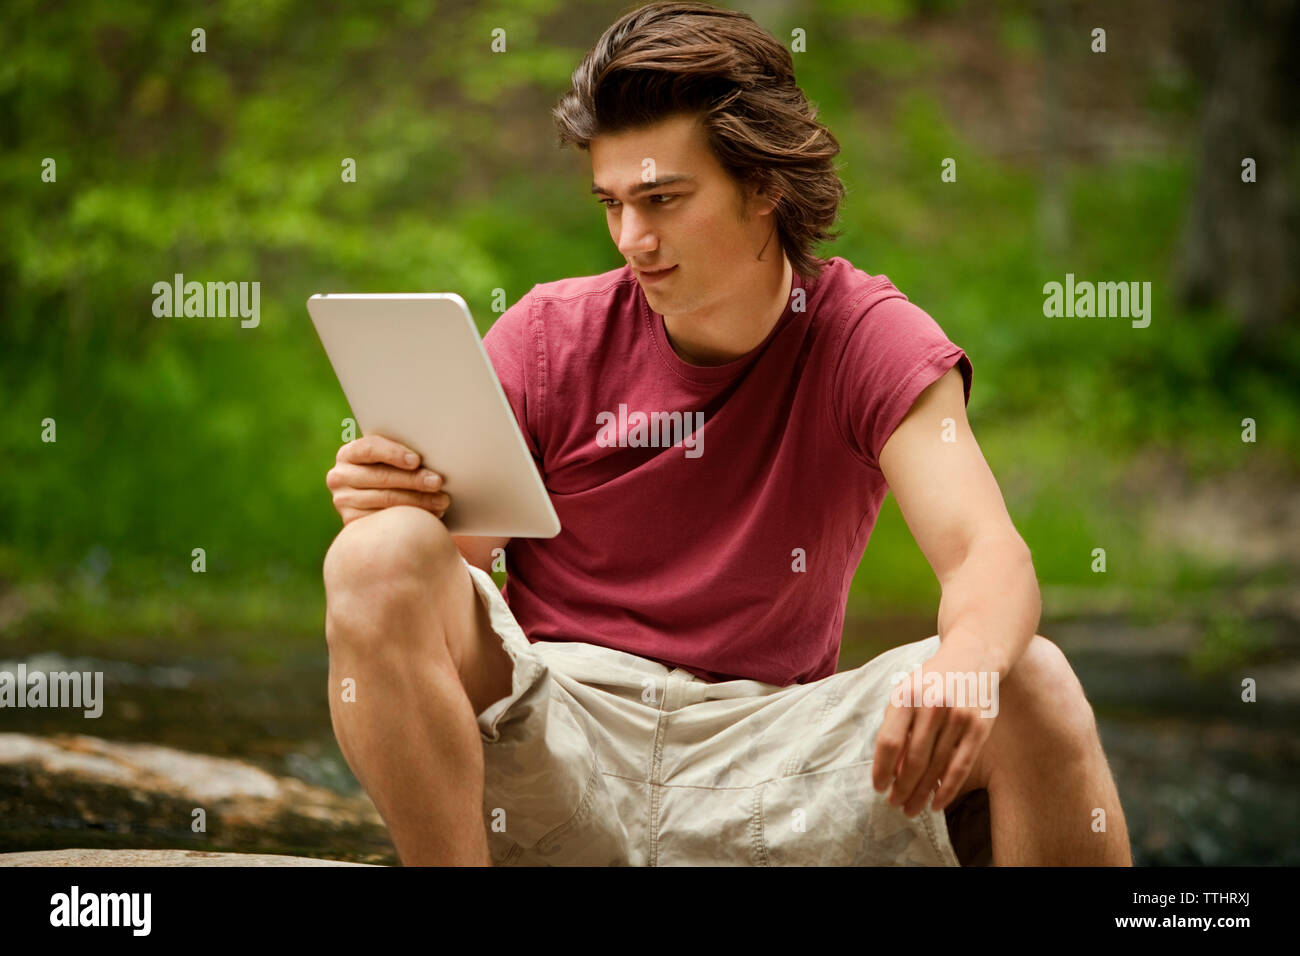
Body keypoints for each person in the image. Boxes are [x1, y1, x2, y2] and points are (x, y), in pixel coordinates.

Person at [321, 1, 1131, 866]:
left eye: (663, 199)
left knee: (1030, 679)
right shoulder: (547, 337)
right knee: (379, 554)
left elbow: (987, 556)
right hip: (557, 744)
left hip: (772, 762)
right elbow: (445, 584)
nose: (633, 239)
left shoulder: (867, 336)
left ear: (764, 184)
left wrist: (965, 662)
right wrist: (395, 502)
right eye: (613, 204)